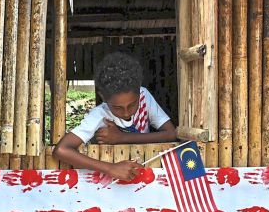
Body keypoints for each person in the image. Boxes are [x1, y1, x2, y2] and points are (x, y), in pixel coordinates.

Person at [54, 51, 177, 181]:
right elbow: (61, 150)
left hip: (145, 177)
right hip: (107, 184)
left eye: (132, 104)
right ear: (103, 97)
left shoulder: (144, 97)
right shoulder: (99, 115)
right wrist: (110, 168)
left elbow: (171, 133)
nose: (126, 112)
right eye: (118, 108)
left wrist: (122, 137)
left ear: (138, 91)